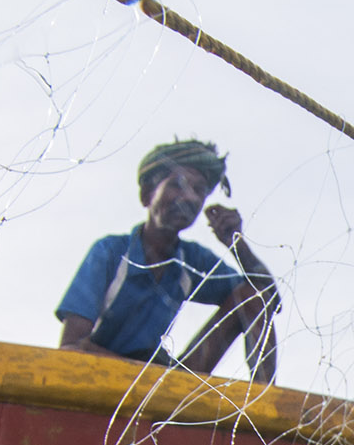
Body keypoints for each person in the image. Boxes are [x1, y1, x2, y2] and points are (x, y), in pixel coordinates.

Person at [56, 139, 278, 385]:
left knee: (251, 296)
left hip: (160, 381)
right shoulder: (110, 252)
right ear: (147, 195)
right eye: (177, 185)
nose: (189, 197)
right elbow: (71, 346)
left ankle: (263, 399)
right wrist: (146, 376)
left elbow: (266, 298)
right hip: (103, 374)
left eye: (199, 190)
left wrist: (237, 244)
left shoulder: (192, 260)